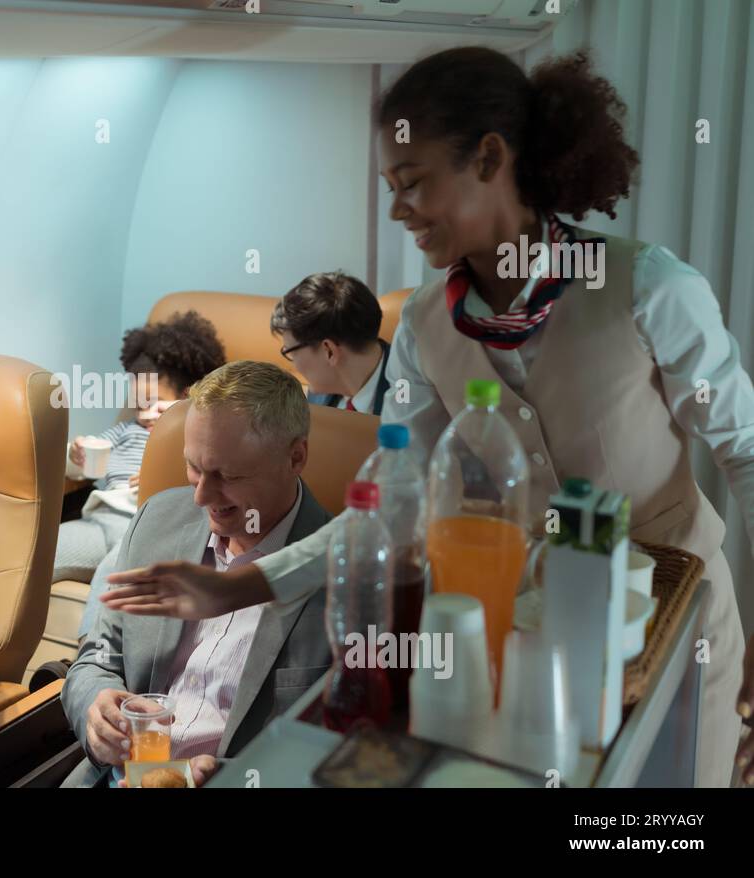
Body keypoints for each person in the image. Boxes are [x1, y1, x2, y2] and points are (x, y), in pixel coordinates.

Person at [104, 47, 754, 788]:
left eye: (412, 183)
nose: (397, 209)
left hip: (673, 634)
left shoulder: (649, 288)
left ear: (489, 158)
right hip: (530, 643)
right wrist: (236, 586)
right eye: (389, 188)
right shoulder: (423, 325)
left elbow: (747, 451)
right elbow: (388, 501)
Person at [61, 361, 332, 787]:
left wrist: (226, 777)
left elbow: (342, 747)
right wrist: (95, 706)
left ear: (295, 457)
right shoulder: (158, 518)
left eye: (228, 475)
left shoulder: (346, 572)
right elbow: (97, 656)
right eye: (194, 468)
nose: (202, 496)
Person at [55, 311, 225, 621]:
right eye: (138, 404)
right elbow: (80, 462)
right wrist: (75, 455)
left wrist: (177, 419)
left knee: (112, 573)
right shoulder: (126, 430)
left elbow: (200, 479)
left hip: (142, 526)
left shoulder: (190, 437)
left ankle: (90, 659)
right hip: (98, 520)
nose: (144, 414)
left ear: (186, 397)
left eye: (155, 403)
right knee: (42, 554)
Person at [273, 271, 391, 415]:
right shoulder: (322, 386)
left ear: (329, 351)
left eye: (290, 352)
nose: (294, 366)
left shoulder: (412, 399)